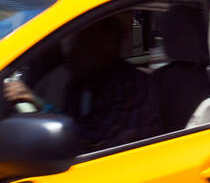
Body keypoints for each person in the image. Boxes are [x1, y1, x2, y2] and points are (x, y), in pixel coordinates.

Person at [4, 13, 161, 154]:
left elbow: (94, 143)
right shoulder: (81, 83)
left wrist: (38, 106)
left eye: (82, 46)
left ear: (107, 50)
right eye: (74, 44)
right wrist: (36, 103)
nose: (72, 52)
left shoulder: (129, 87)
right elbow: (70, 123)